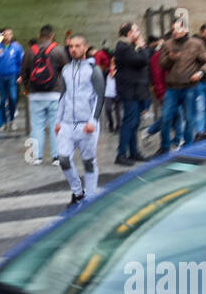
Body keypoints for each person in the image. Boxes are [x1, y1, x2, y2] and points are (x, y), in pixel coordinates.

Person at [55, 34, 106, 206]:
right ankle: (77, 192)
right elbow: (63, 96)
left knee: (88, 162)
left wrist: (93, 121)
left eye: (78, 46)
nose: (74, 49)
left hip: (86, 124)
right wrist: (58, 120)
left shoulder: (94, 70)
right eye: (71, 46)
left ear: (85, 48)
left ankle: (90, 197)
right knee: (63, 158)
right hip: (67, 124)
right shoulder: (66, 70)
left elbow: (100, 96)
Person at [157, 20, 206, 154]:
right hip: (172, 88)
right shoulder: (167, 44)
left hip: (190, 87)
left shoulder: (196, 44)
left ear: (186, 30)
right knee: (165, 118)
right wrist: (170, 58)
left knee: (189, 118)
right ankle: (164, 146)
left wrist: (200, 72)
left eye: (178, 29)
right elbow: (161, 65)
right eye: (173, 29)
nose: (175, 32)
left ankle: (188, 147)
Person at [23, 25, 68, 165]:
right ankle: (57, 158)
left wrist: (27, 89)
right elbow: (67, 70)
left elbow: (24, 73)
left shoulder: (30, 51)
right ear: (52, 35)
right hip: (55, 94)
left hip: (35, 95)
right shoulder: (58, 50)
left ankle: (36, 157)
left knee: (37, 126)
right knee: (56, 126)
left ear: (39, 35)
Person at [113, 22, 151, 166]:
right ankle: (121, 154)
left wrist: (141, 48)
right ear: (129, 34)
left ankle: (134, 152)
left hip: (136, 91)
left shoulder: (128, 48)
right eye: (136, 30)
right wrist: (142, 47)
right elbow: (142, 61)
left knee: (134, 123)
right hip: (130, 91)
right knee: (129, 123)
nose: (139, 32)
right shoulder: (123, 48)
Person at [0, 29, 25, 128]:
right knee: (2, 100)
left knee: (13, 98)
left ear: (12, 35)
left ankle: (12, 120)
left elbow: (21, 63)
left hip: (12, 77)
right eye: (5, 34)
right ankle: (4, 122)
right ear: (3, 35)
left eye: (9, 34)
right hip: (0, 77)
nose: (7, 36)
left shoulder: (17, 48)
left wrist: (21, 75)